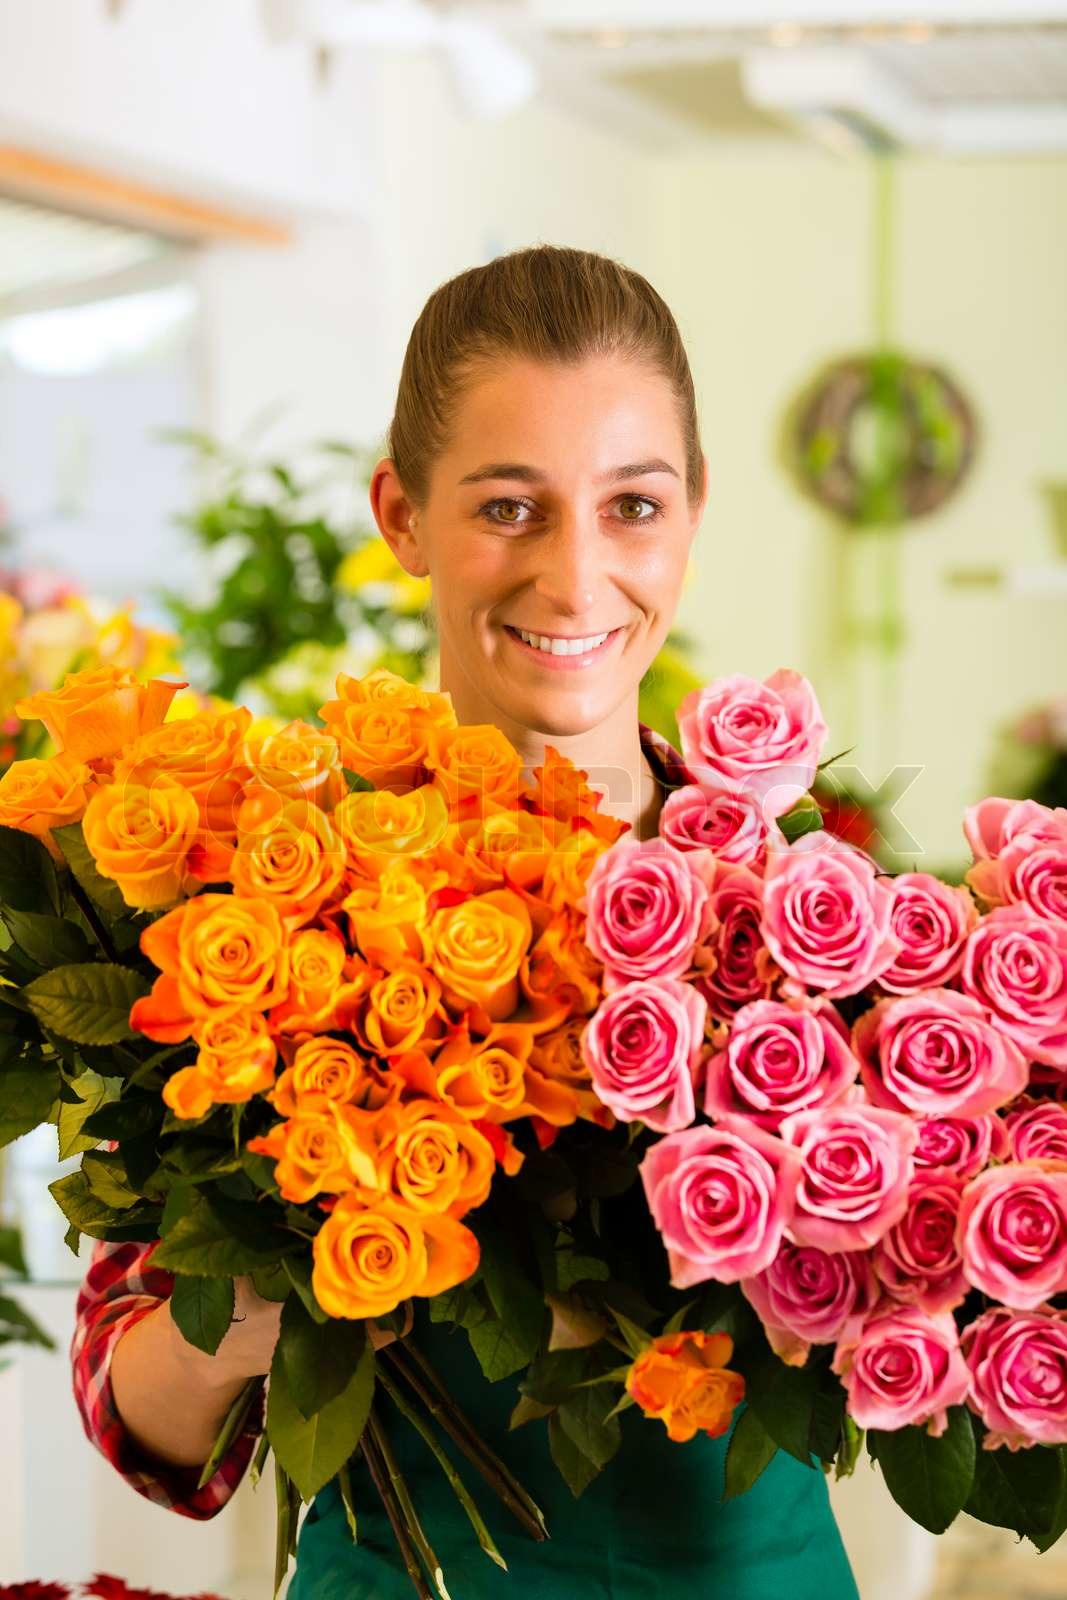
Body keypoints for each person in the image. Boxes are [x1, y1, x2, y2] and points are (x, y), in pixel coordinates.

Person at [71, 244, 860, 1598]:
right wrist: (256, 1291)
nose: (573, 577)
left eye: (630, 505)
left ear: (694, 511)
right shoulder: (262, 896)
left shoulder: (822, 911)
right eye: (509, 506)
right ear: (402, 516)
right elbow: (149, 1436)